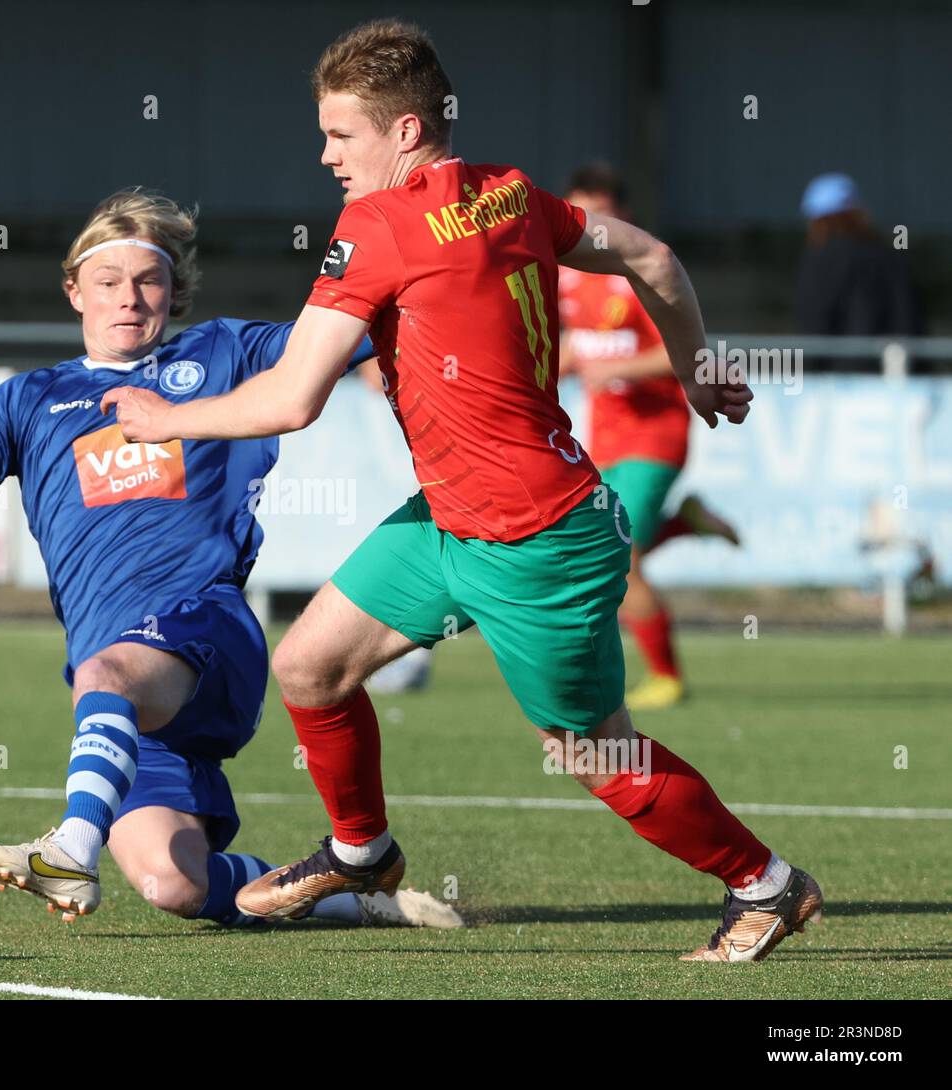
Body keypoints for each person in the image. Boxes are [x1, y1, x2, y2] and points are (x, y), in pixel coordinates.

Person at [105, 21, 822, 962]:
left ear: (405, 132)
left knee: (595, 751)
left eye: (341, 135)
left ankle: (765, 885)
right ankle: (362, 853)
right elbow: (653, 258)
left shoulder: (379, 223)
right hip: (457, 520)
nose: (325, 156)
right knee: (311, 667)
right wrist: (693, 368)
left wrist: (164, 420)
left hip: (538, 542)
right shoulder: (513, 192)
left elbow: (290, 400)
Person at [0, 188, 460, 931]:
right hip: (126, 686)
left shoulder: (221, 351)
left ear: (174, 291)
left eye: (148, 280)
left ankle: (68, 850)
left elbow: (353, 330)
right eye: (107, 281)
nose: (129, 298)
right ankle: (362, 901)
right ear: (74, 291)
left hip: (207, 632)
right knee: (172, 884)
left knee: (105, 675)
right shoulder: (26, 401)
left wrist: (434, 270)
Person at [558, 164, 740, 710]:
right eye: (582, 214)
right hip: (602, 441)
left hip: (655, 438)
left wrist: (619, 369)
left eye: (602, 214)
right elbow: (578, 349)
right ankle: (687, 522)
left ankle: (667, 677)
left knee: (620, 559)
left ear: (623, 217)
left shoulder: (635, 274)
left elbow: (677, 348)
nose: (592, 227)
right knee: (600, 553)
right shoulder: (566, 277)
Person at [795, 172, 922, 369]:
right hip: (893, 383)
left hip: (835, 383)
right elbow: (909, 320)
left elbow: (814, 324)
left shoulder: (820, 260)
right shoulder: (890, 256)